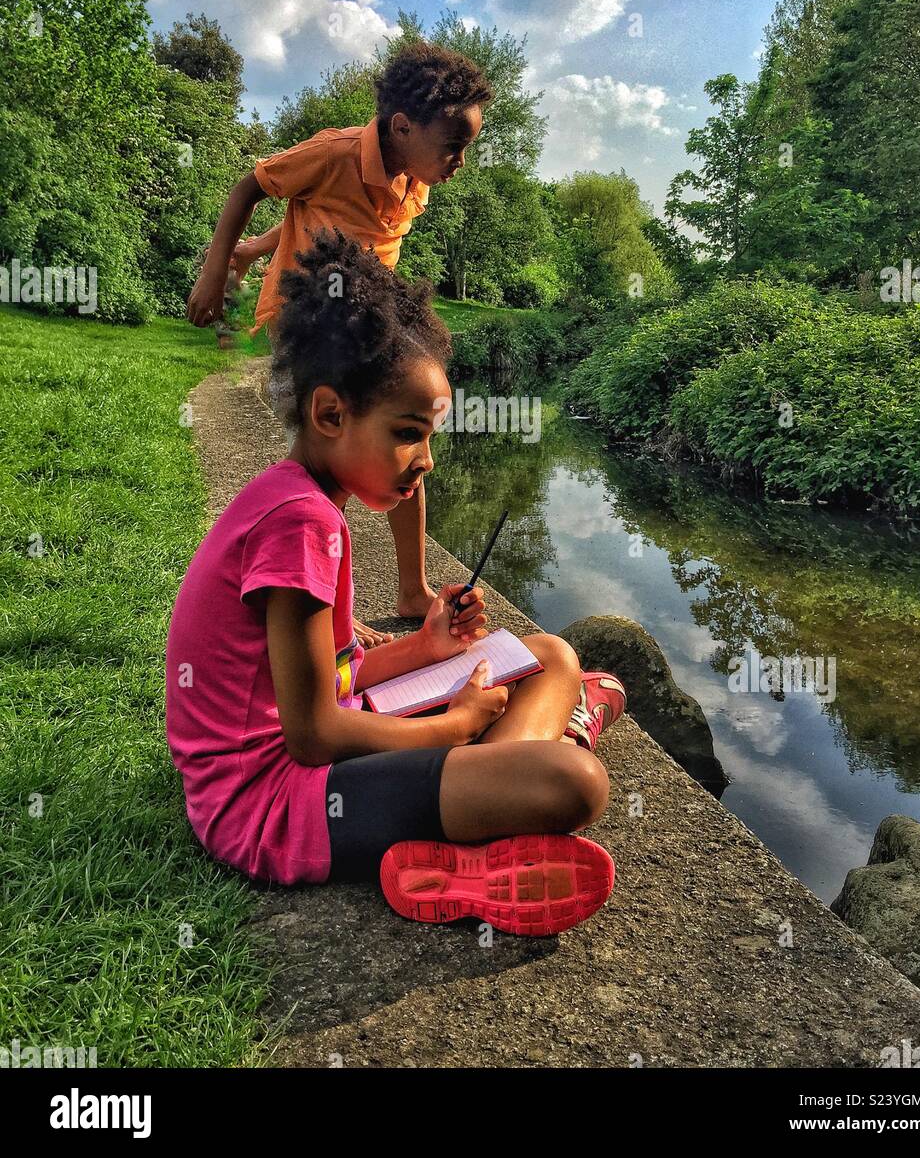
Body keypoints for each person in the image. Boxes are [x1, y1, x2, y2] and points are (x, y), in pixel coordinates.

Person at [166, 232, 626, 934]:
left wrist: (426, 646)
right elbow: (315, 733)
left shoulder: (301, 501)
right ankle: (532, 769)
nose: (428, 461)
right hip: (270, 807)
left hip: (306, 764)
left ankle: (529, 753)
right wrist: (456, 726)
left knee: (554, 655)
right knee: (573, 784)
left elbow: (336, 680)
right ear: (329, 414)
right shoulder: (300, 526)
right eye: (410, 433)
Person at [186, 41, 492, 651]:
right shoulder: (335, 152)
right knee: (333, 464)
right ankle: (327, 606)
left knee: (406, 443)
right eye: (452, 146)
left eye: (466, 148)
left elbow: (314, 210)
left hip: (371, 321)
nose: (459, 162)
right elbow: (255, 185)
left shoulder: (415, 178)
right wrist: (219, 267)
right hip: (312, 324)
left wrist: (257, 247)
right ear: (402, 126)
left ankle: (411, 588)